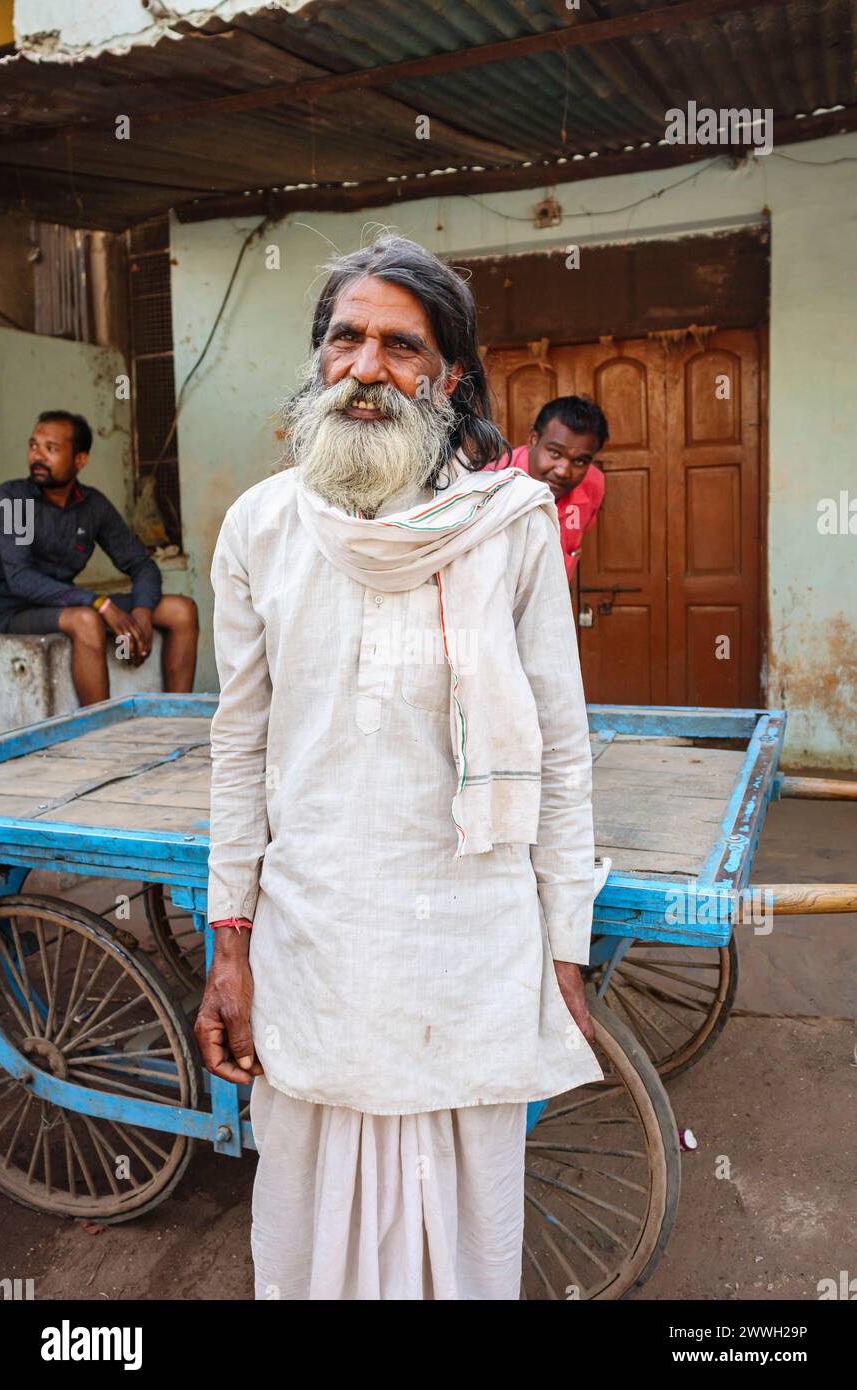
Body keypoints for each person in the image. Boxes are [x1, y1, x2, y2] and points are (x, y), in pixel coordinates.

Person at [196, 235, 603, 1302]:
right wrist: (227, 945)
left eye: (398, 344)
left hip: (468, 941)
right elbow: (238, 747)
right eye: (345, 337)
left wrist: (564, 944)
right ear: (318, 357)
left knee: (460, 1236)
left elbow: (559, 743)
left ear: (447, 376)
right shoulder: (260, 528)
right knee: (308, 1230)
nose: (366, 366)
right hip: (312, 935)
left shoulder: (507, 522)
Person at [0, 411, 198, 705]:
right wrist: (98, 603)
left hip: (61, 604)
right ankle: (100, 733)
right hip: (10, 610)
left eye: (51, 449)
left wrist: (142, 610)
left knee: (182, 610)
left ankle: (179, 713)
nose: (37, 457)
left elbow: (141, 564)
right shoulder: (13, 500)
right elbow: (21, 579)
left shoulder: (92, 506)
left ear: (80, 459)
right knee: (86, 620)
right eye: (34, 446)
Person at [487, 395, 608, 582]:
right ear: (533, 440)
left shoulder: (592, 484)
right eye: (554, 452)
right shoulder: (488, 485)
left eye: (580, 461)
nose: (563, 471)